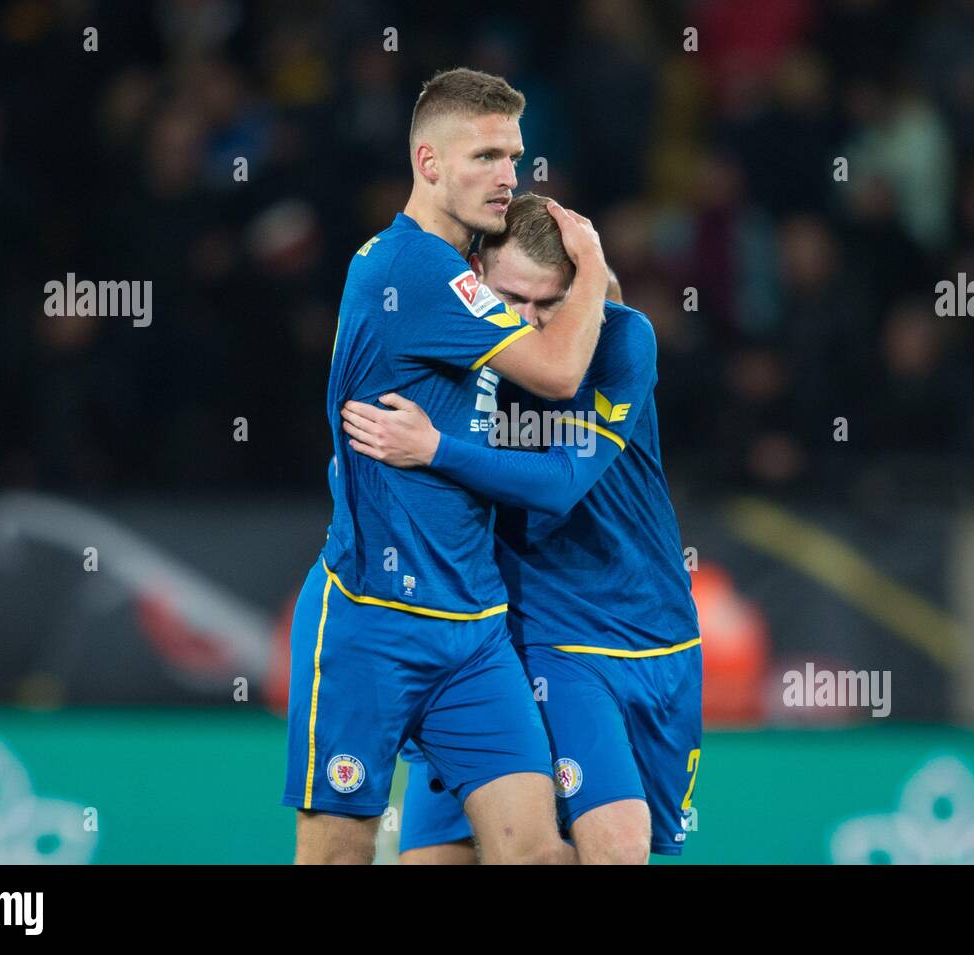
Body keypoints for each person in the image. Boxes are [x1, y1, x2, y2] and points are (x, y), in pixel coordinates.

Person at [284, 70, 608, 864]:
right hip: (371, 620)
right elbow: (562, 372)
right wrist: (592, 264)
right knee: (335, 855)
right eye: (487, 156)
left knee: (535, 852)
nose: (509, 176)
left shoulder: (460, 272)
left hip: (471, 630)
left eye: (516, 156)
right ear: (428, 163)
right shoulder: (411, 270)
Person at [342, 193, 702, 864]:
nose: (530, 323)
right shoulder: (451, 351)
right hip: (524, 637)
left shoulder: (623, 339)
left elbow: (561, 484)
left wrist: (436, 448)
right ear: (473, 273)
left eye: (551, 303)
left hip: (648, 634)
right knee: (596, 849)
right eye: (513, 299)